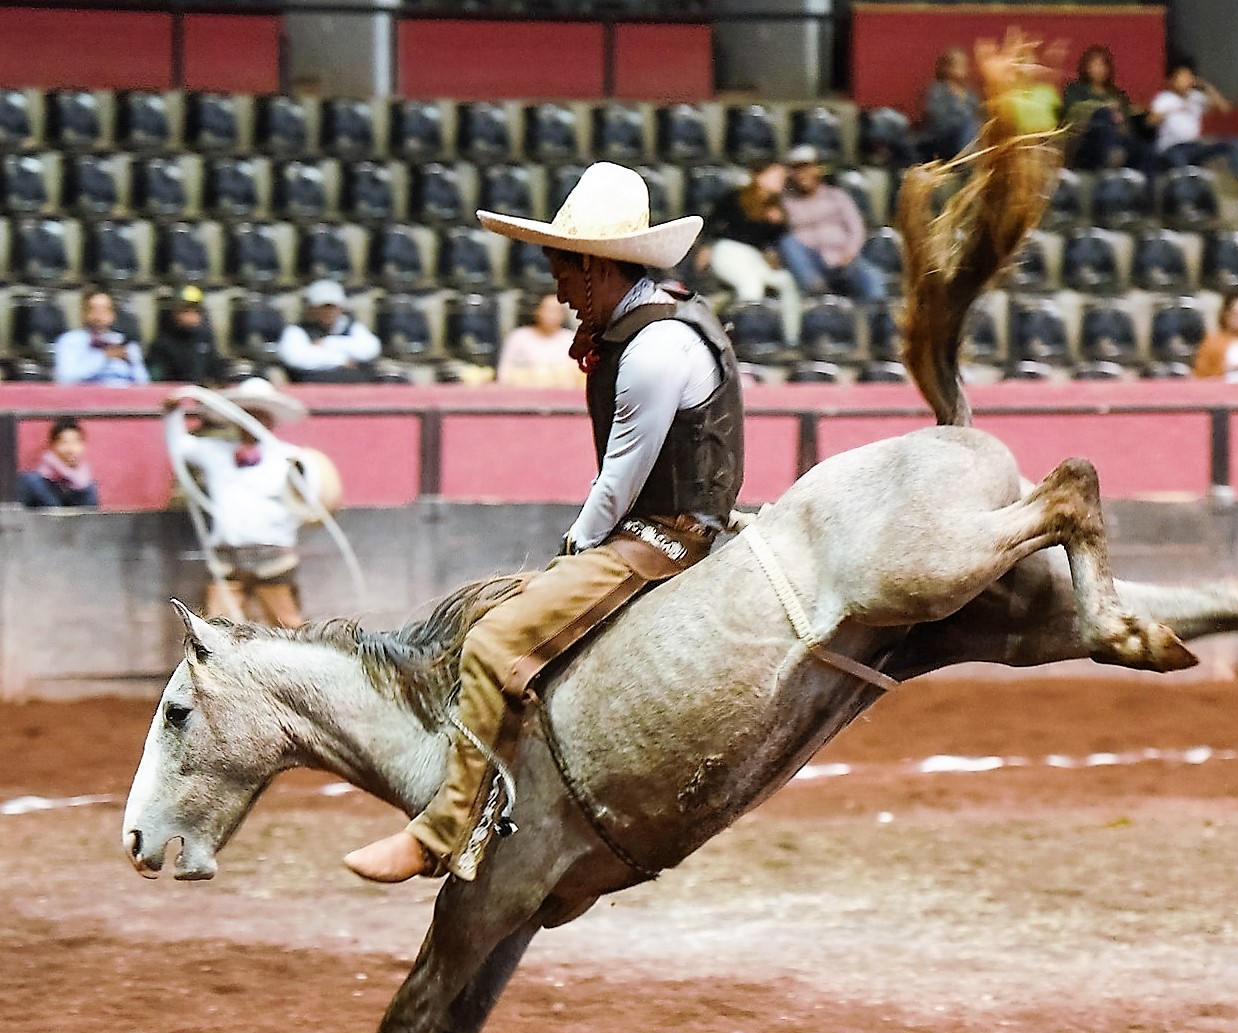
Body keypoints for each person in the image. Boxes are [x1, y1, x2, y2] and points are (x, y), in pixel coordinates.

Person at [343, 161, 744, 884]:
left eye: (563, 268)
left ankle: (441, 831)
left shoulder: (653, 349)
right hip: (673, 521)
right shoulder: (659, 324)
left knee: (498, 639)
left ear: (596, 266)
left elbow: (619, 480)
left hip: (663, 537)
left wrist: (575, 550)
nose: (556, 288)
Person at [163, 377, 311, 627]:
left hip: (272, 555)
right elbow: (180, 446)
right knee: (217, 630)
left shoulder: (290, 458)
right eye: (246, 415)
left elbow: (310, 499)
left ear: (271, 420)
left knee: (287, 626)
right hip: (227, 556)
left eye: (259, 416)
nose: (252, 422)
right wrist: (173, 414)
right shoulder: (216, 452)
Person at [778, 145, 892, 346]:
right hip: (811, 263)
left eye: (807, 167)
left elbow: (856, 228)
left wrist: (849, 253)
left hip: (844, 259)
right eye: (797, 168)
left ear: (817, 169)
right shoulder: (785, 202)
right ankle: (817, 292)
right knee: (788, 243)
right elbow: (771, 231)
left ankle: (881, 338)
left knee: (873, 281)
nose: (802, 173)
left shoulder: (836, 195)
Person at [704, 161, 802, 346]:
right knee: (751, 286)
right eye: (776, 176)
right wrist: (706, 246)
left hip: (755, 257)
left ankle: (791, 339)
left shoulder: (776, 208)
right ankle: (747, 339)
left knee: (785, 281)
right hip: (728, 251)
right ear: (759, 176)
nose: (780, 181)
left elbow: (773, 241)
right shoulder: (736, 197)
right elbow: (712, 223)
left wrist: (778, 224)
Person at [1148, 60, 1238, 199]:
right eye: (1182, 77)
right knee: (1182, 165)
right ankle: (1187, 200)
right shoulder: (1164, 99)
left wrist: (1207, 87)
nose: (1187, 80)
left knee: (1232, 140)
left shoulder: (1196, 98)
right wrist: (1171, 110)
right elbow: (1151, 121)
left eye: (1189, 77)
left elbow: (1225, 108)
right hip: (1173, 147)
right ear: (1173, 81)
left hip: (1195, 146)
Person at [276, 280, 381, 384]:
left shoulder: (352, 327)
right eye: (323, 308)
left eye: (332, 308)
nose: (328, 312)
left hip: (353, 382)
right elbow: (296, 358)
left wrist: (328, 343)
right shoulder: (296, 331)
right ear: (311, 309)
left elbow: (370, 349)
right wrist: (340, 360)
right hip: (314, 383)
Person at [1062, 45, 1141, 170]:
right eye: (1095, 64)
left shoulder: (1116, 95)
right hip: (1085, 141)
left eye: (1102, 65)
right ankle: (1112, 154)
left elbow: (1126, 126)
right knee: (1103, 115)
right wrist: (1105, 108)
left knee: (1145, 150)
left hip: (1118, 138)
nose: (1099, 69)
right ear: (1086, 67)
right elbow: (1074, 111)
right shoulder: (1075, 90)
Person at [53, 289, 149, 387]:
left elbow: (143, 382)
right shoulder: (71, 340)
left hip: (124, 395)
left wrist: (131, 362)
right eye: (93, 309)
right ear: (84, 313)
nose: (99, 315)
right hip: (87, 395)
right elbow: (65, 378)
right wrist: (104, 357)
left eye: (105, 309)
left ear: (112, 314)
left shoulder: (125, 343)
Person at [146, 285, 228, 385]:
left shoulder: (205, 339)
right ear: (174, 314)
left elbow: (214, 370)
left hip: (202, 393)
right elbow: (156, 379)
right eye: (185, 311)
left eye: (196, 311)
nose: (191, 316)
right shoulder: (161, 344)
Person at [495, 294, 579, 388]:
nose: (552, 315)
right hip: (524, 394)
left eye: (557, 310)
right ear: (537, 311)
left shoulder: (571, 338)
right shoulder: (519, 337)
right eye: (548, 310)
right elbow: (504, 374)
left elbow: (579, 375)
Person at [18, 416, 99, 509]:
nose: (71, 449)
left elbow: (91, 519)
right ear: (52, 445)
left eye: (76, 442)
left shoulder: (87, 485)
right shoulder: (32, 482)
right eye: (65, 442)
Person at [919, 46, 981, 160]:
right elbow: (939, 121)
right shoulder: (937, 92)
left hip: (972, 138)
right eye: (958, 63)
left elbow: (980, 115)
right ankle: (967, 164)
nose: (963, 67)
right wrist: (964, 121)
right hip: (945, 138)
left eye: (965, 64)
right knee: (968, 125)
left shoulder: (970, 94)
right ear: (947, 67)